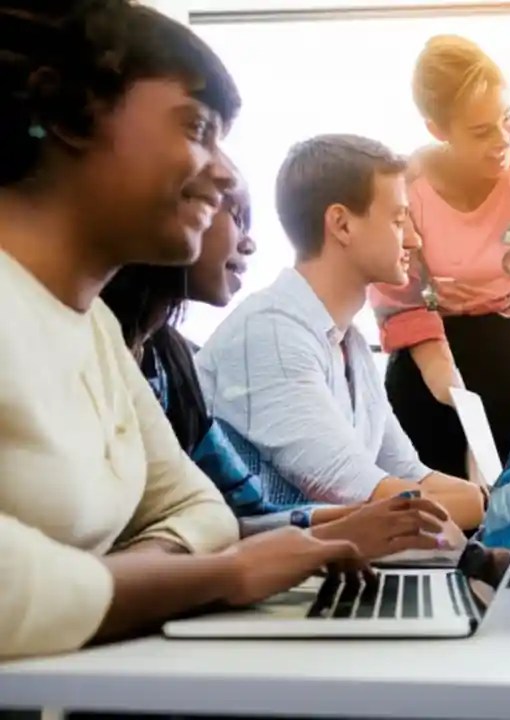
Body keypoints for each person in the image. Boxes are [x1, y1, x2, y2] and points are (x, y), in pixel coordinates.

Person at [0, 2, 442, 660]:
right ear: (67, 115)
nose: (228, 171)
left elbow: (202, 509)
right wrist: (220, 573)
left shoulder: (91, 327)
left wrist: (154, 569)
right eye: (198, 127)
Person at [100, 158, 451, 557]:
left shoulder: (168, 355)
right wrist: (329, 534)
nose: (249, 244)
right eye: (233, 215)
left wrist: (333, 528)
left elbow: (231, 509)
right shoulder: (267, 331)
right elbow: (212, 521)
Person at [196, 133, 485, 531]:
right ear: (342, 224)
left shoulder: (349, 344)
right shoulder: (272, 334)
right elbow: (389, 507)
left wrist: (498, 497)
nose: (414, 239)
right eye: (399, 220)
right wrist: (483, 502)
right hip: (268, 582)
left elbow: (414, 476)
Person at [371, 34, 510, 480]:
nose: (502, 141)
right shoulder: (405, 187)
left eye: (507, 120)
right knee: (433, 512)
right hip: (426, 352)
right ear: (438, 130)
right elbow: (400, 301)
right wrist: (451, 384)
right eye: (481, 131)